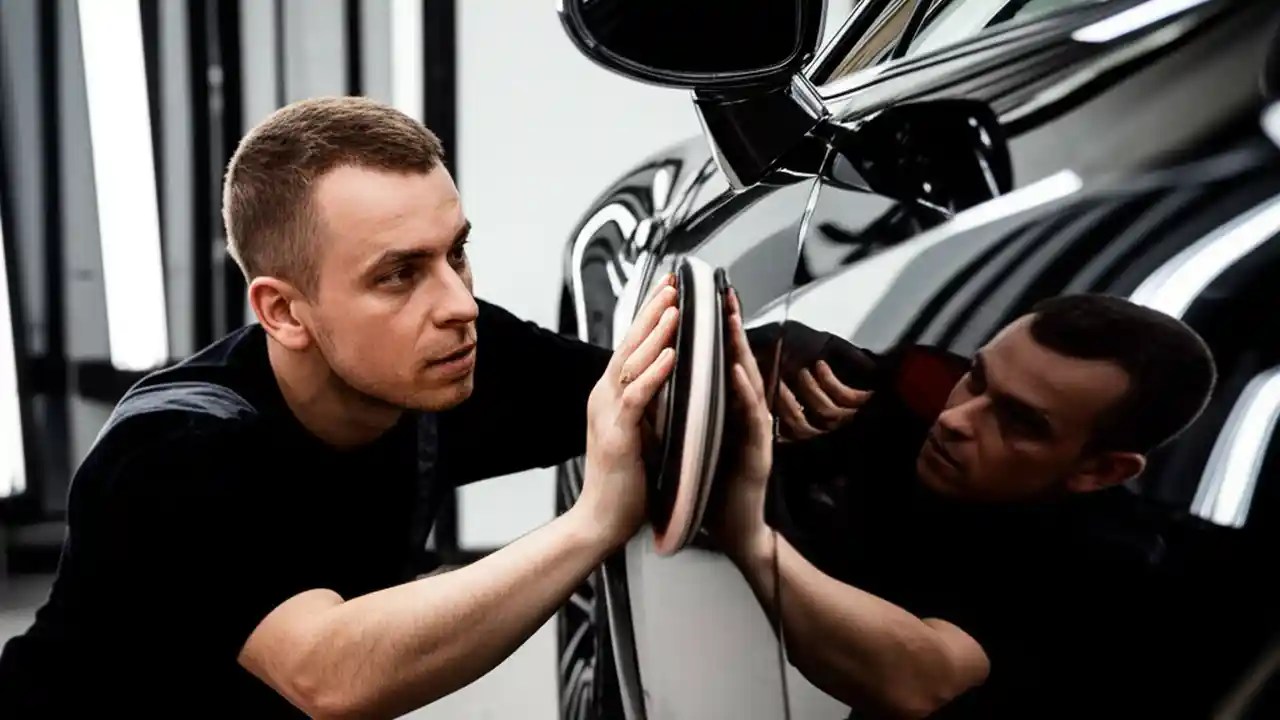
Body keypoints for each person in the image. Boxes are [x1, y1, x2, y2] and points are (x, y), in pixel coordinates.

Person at [0, 96, 681, 718]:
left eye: (457, 253)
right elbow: (330, 675)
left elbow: (648, 391)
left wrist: (773, 354)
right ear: (283, 311)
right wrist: (591, 524)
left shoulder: (452, 351)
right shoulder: (168, 455)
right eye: (398, 274)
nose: (458, 303)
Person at [709, 293, 1218, 719]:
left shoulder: (1100, 568)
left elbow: (916, 680)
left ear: (1099, 471)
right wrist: (737, 360)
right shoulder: (922, 387)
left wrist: (751, 537)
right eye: (977, 374)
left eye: (1021, 421)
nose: (957, 419)